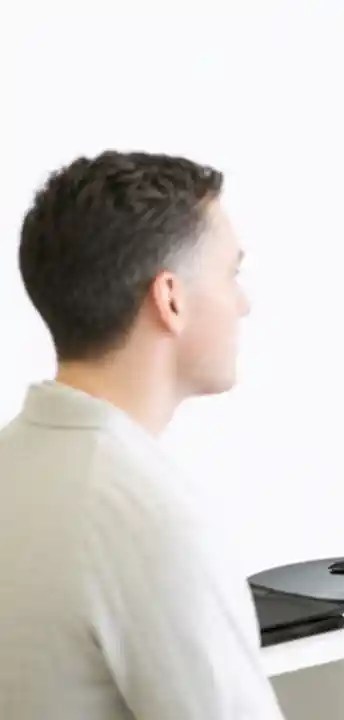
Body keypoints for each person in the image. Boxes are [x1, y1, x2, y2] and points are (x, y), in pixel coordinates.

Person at [0, 152, 284, 718]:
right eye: (231, 274)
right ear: (171, 298)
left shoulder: (15, 464)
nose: (243, 304)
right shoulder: (151, 517)